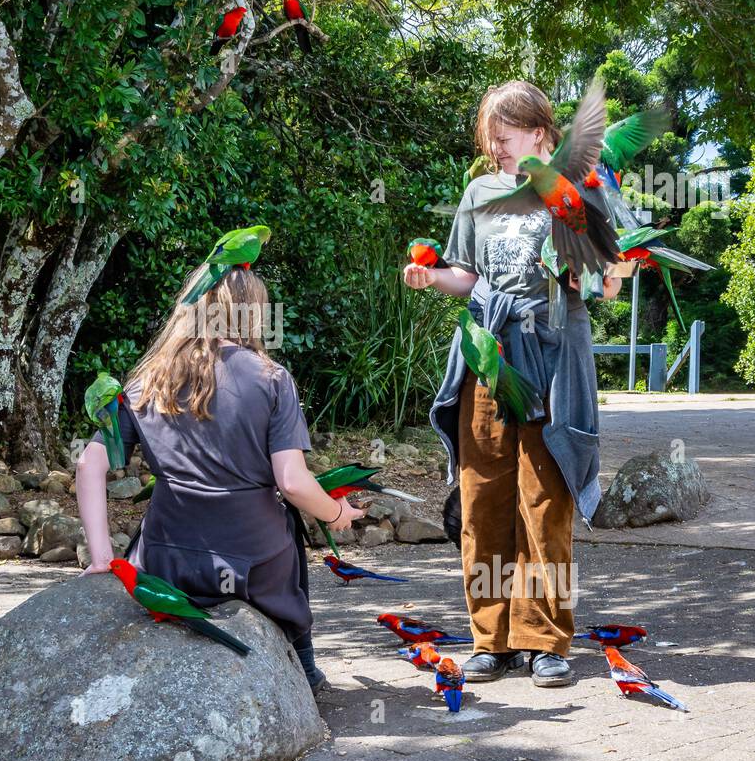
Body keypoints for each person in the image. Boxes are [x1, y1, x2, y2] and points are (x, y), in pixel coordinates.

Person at [404, 80, 619, 688]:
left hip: (553, 357)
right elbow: (466, 276)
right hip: (489, 355)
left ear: (539, 132)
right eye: (489, 137)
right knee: (482, 499)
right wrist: (429, 277)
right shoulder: (480, 192)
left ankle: (545, 639)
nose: (494, 147)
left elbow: (607, 280)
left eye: (503, 135)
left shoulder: (575, 190)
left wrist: (602, 275)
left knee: (545, 500)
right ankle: (490, 638)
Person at [76, 246, 364, 692]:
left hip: (167, 562)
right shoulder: (271, 378)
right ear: (252, 312)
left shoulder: (143, 382)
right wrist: (335, 514)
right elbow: (292, 482)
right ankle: (303, 661)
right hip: (253, 566)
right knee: (286, 522)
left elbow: (89, 462)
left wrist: (101, 557)